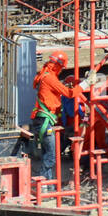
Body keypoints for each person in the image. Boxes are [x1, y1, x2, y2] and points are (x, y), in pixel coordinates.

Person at [29, 53, 78, 181]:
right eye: (61, 68)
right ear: (58, 65)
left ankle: (48, 185)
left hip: (42, 120)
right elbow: (70, 93)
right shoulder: (49, 78)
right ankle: (42, 184)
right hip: (45, 121)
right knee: (51, 156)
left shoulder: (43, 76)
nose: (61, 70)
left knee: (47, 154)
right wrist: (85, 85)